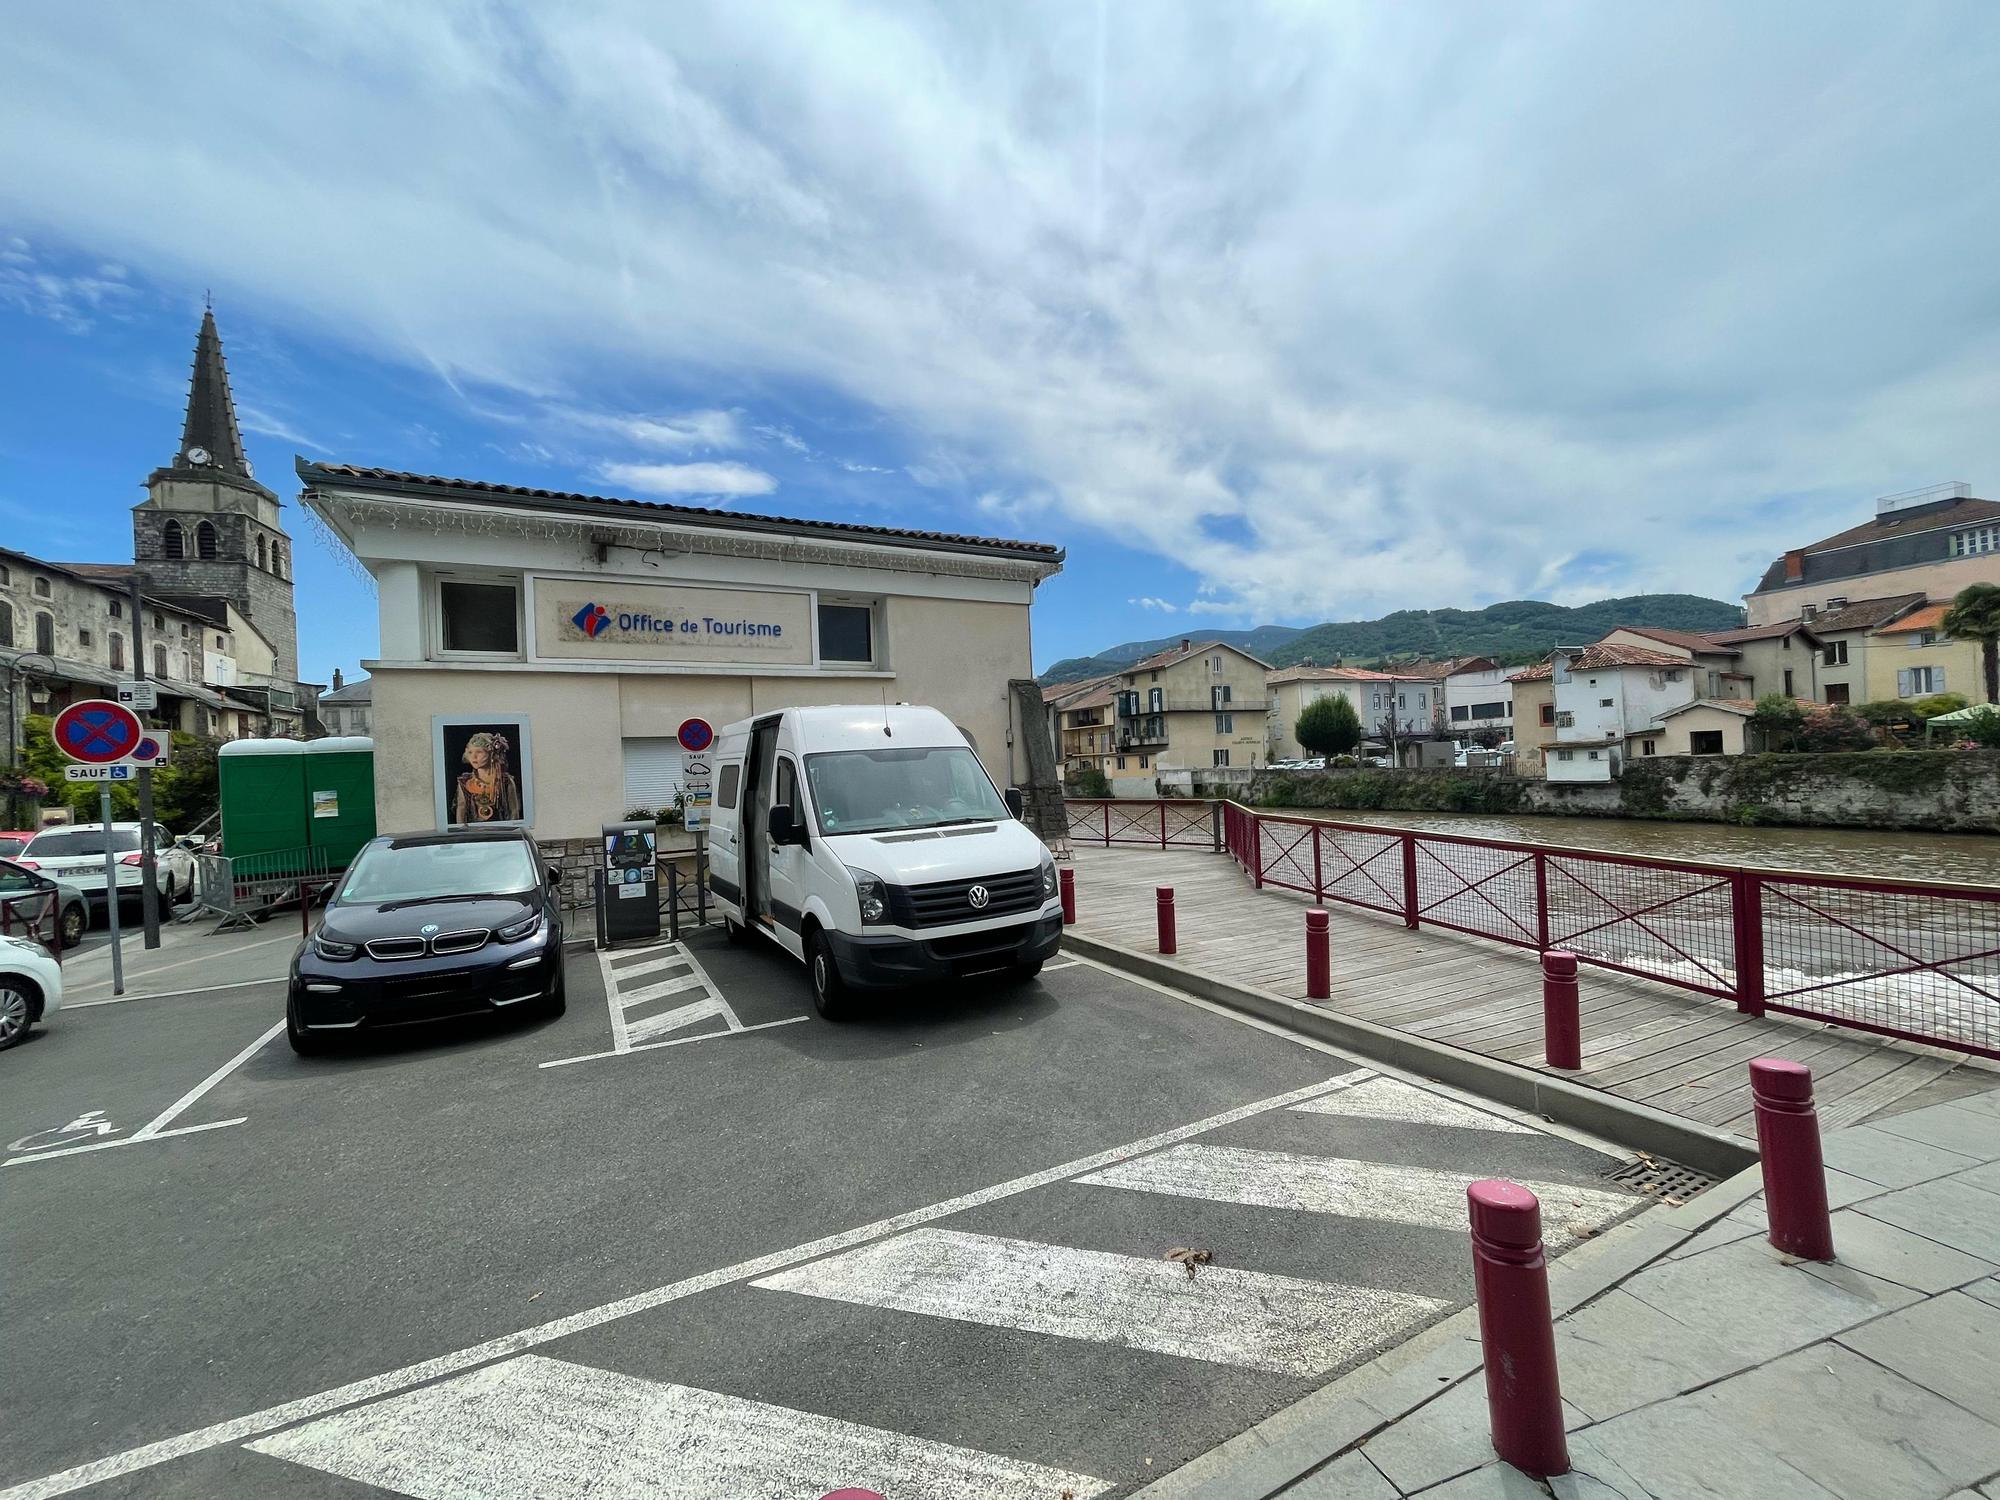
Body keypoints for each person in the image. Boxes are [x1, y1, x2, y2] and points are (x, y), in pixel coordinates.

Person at [453, 731, 523, 824]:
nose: (474, 756)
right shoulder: (465, 782)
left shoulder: (505, 782)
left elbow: (514, 812)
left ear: (492, 754)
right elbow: (461, 809)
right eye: (470, 752)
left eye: (479, 752)